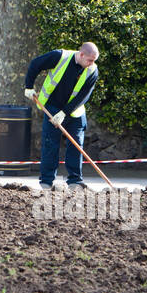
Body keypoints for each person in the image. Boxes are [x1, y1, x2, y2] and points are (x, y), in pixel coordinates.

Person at [24, 42, 99, 190]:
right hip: (52, 106)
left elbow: (83, 97)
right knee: (50, 143)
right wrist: (29, 87)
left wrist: (64, 113)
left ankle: (75, 181)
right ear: (81, 54)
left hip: (75, 111)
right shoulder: (59, 56)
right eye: (90, 60)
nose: (92, 63)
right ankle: (46, 181)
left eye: (94, 60)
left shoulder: (92, 71)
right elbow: (35, 64)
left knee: (76, 144)